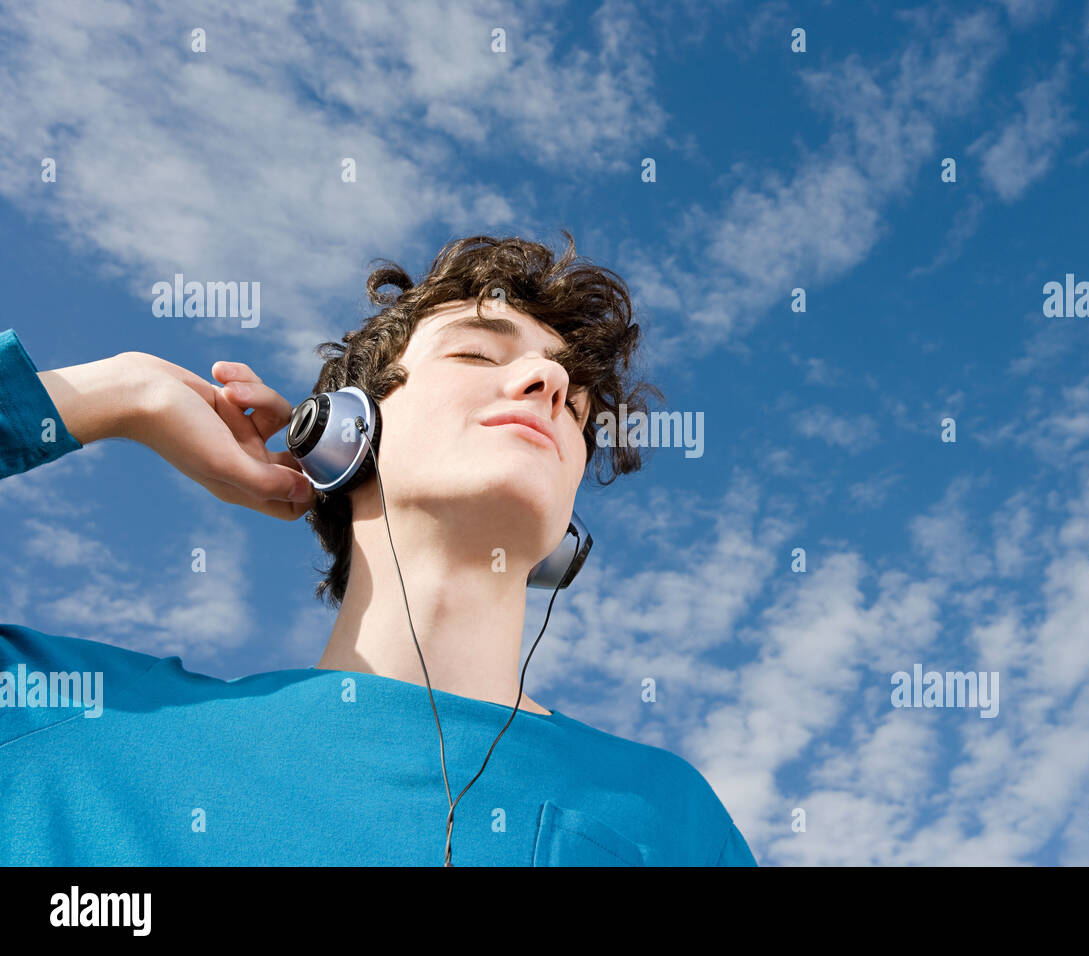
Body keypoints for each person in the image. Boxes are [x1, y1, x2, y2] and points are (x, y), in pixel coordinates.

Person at [0, 232, 757, 866]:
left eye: (575, 402)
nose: (549, 382)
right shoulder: (65, 721)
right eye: (476, 357)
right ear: (342, 434)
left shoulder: (673, 817)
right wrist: (113, 392)